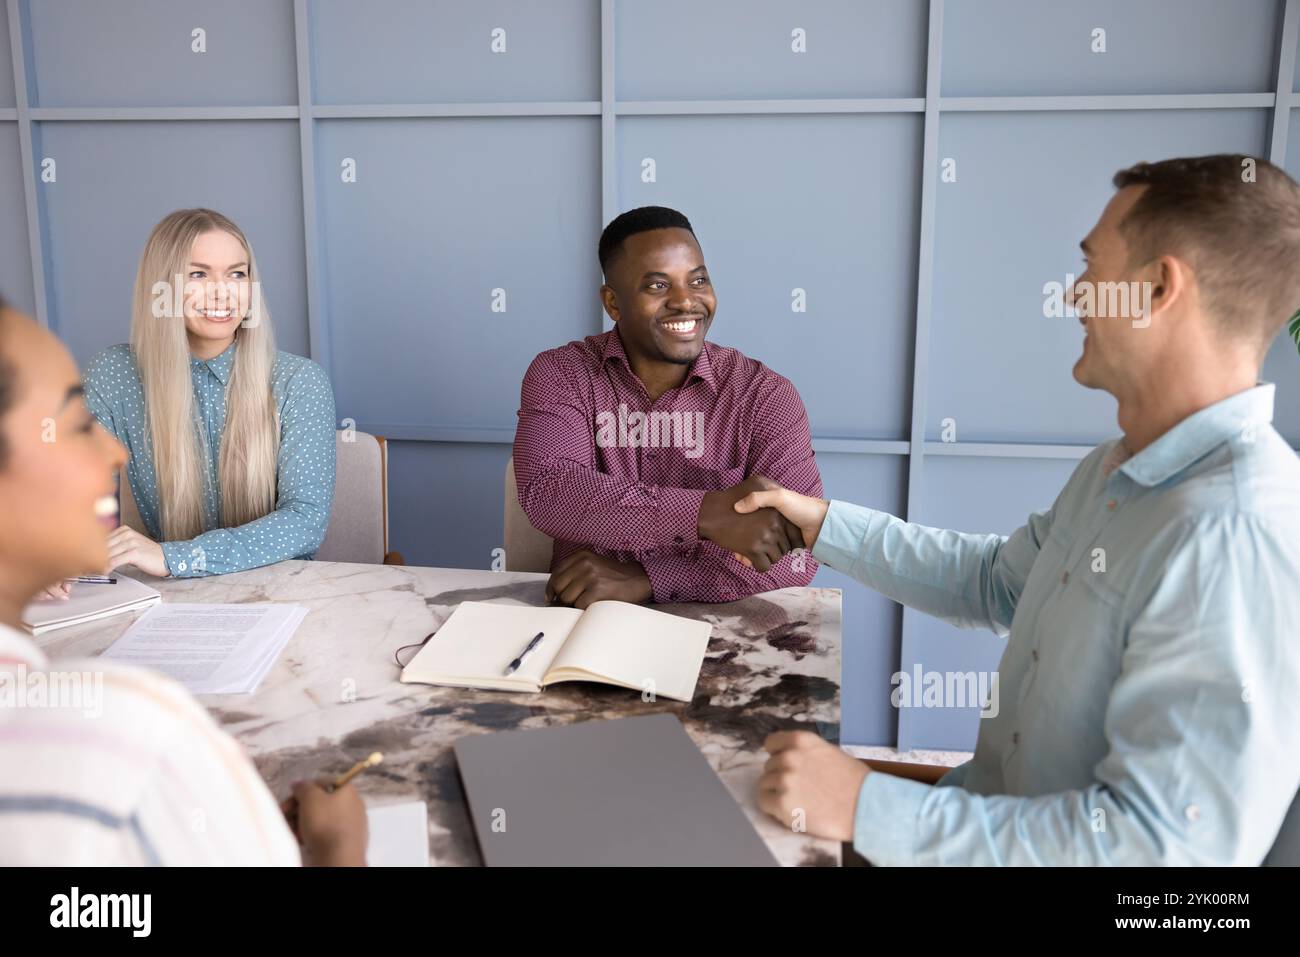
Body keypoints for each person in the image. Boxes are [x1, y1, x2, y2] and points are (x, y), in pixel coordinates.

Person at [745, 155, 1300, 865]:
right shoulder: (1115, 469)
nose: (1073, 295)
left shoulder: (1234, 532)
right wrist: (819, 523)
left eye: (1091, 266)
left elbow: (1162, 857)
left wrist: (869, 805)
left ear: (1157, 288)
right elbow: (996, 582)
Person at [0, 303, 366, 864]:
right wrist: (338, 851)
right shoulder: (134, 727)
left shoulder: (296, 381)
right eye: (76, 426)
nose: (115, 450)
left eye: (237, 272)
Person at [513, 206, 823, 608]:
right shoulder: (563, 374)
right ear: (612, 302)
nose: (686, 302)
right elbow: (550, 491)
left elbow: (796, 555)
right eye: (658, 286)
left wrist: (649, 579)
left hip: (725, 634)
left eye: (698, 281)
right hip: (585, 619)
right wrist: (709, 514)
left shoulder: (764, 396)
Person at [79, 208, 335, 582]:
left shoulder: (299, 381)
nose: (223, 292)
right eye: (198, 274)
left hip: (279, 594)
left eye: (237, 273)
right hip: (170, 604)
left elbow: (304, 522)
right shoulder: (115, 373)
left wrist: (175, 558)